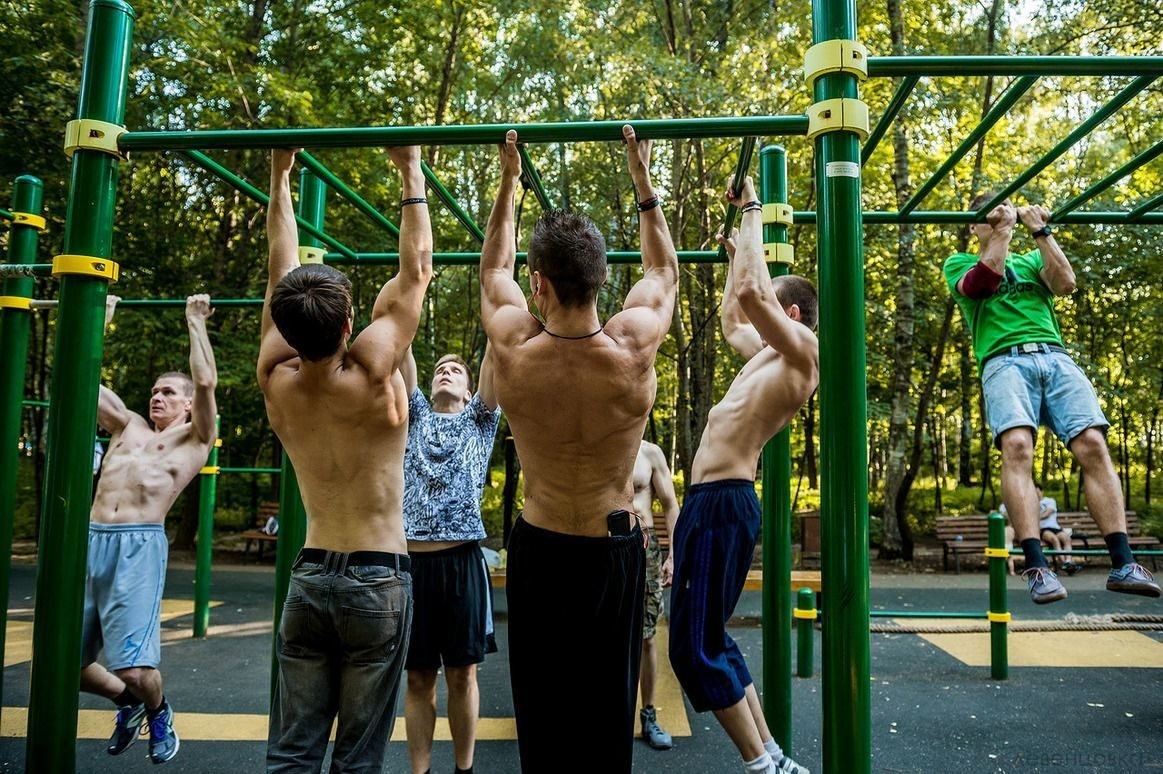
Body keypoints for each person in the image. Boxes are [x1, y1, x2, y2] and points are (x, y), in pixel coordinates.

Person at [479, 125, 678, 773]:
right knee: (605, 711)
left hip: (538, 546)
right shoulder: (633, 344)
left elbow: (491, 269)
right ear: (601, 279)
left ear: (537, 283)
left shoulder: (513, 344)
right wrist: (642, 178)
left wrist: (509, 181)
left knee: (542, 710)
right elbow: (662, 270)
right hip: (611, 547)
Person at [260, 146, 433, 771]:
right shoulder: (374, 377)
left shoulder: (276, 379)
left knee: (292, 754)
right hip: (377, 580)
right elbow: (415, 272)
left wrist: (280, 177)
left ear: (284, 325)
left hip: (309, 577)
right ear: (351, 322)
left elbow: (280, 267)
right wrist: (410, 167)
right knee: (358, 760)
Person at [668, 177, 818, 774]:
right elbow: (738, 314)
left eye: (771, 311)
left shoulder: (802, 351)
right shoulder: (766, 355)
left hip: (724, 501)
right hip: (711, 503)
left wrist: (753, 211)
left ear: (792, 314)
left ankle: (761, 765)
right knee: (712, 639)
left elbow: (753, 299)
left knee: (693, 650)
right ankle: (773, 756)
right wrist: (738, 259)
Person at [943, 194, 1159, 603]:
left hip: (1055, 356)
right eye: (990, 215)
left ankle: (1123, 562)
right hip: (1004, 361)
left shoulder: (1029, 261)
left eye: (1004, 210)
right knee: (1018, 446)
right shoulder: (958, 263)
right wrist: (1004, 230)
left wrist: (1041, 231)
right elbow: (983, 282)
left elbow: (1065, 283)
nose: (1000, 217)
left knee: (1093, 444)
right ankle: (1037, 566)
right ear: (975, 225)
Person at [79, 293, 218, 764]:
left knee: (136, 668)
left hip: (137, 548)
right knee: (64, 666)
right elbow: (81, 376)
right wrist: (103, 319)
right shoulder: (127, 427)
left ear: (184, 405)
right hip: (90, 540)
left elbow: (206, 382)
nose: (158, 397)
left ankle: (156, 708)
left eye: (168, 393)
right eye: (154, 391)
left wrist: (194, 321)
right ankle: (128, 705)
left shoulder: (196, 438)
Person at [399, 345, 500, 774]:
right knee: (418, 677)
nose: (446, 373)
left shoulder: (480, 419)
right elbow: (401, 347)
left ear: (469, 388)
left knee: (462, 674)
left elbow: (498, 346)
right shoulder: (415, 415)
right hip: (412, 566)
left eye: (456, 370)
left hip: (462, 563)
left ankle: (464, 770)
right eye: (440, 368)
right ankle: (419, 772)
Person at [632, 439, 680, 751]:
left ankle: (648, 714)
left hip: (644, 546)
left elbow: (671, 503)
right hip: (603, 546)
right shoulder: (597, 442)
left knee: (648, 636)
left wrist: (674, 556)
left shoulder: (649, 453)